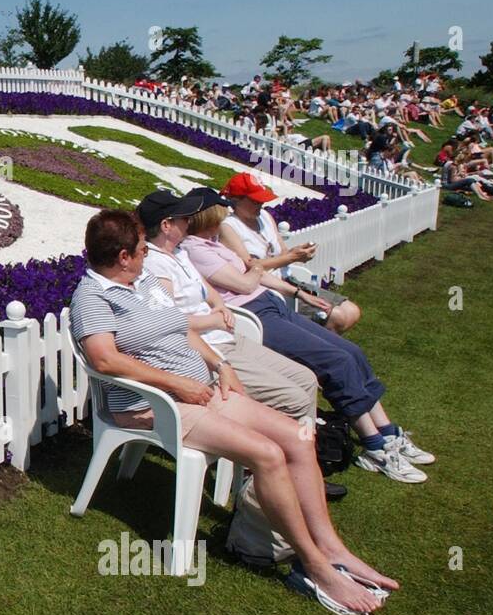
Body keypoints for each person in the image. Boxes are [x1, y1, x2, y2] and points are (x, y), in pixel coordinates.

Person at [71, 210, 395, 615]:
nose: (144, 255)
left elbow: (182, 329)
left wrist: (221, 366)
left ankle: (332, 548)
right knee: (268, 454)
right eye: (139, 251)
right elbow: (104, 360)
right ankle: (313, 564)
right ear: (122, 256)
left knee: (297, 435)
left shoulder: (141, 281)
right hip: (156, 408)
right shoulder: (93, 297)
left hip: (199, 392)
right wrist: (176, 384)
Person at [181, 200, 434, 484]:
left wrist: (299, 294)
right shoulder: (195, 248)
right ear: (209, 217)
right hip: (252, 315)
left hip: (270, 304)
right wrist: (256, 266)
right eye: (221, 212)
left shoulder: (215, 243)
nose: (226, 216)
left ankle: (387, 430)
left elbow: (257, 274)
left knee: (351, 351)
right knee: (335, 361)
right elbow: (246, 283)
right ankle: (373, 444)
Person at [218, 173, 361, 334]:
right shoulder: (228, 226)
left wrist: (298, 253)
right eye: (254, 200)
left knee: (352, 311)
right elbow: (250, 266)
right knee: (338, 317)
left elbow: (282, 251)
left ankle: (321, 346)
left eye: (261, 199)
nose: (260, 203)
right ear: (236, 200)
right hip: (268, 290)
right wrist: (291, 257)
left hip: (288, 280)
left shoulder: (264, 216)